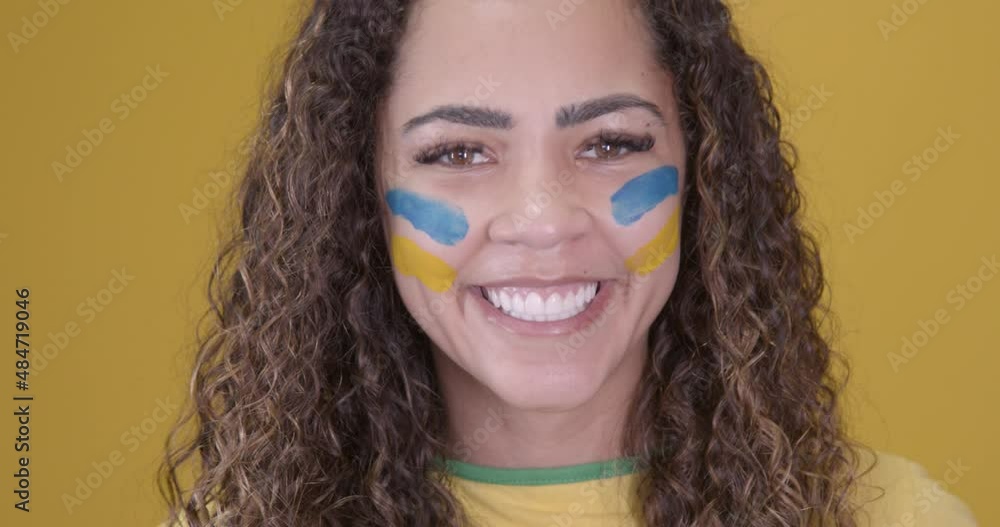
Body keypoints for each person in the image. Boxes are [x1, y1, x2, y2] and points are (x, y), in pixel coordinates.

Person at [158, 0, 979, 525]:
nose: (544, 220)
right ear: (358, 188)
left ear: (707, 171)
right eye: (459, 151)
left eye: (612, 143)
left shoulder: (893, 517)